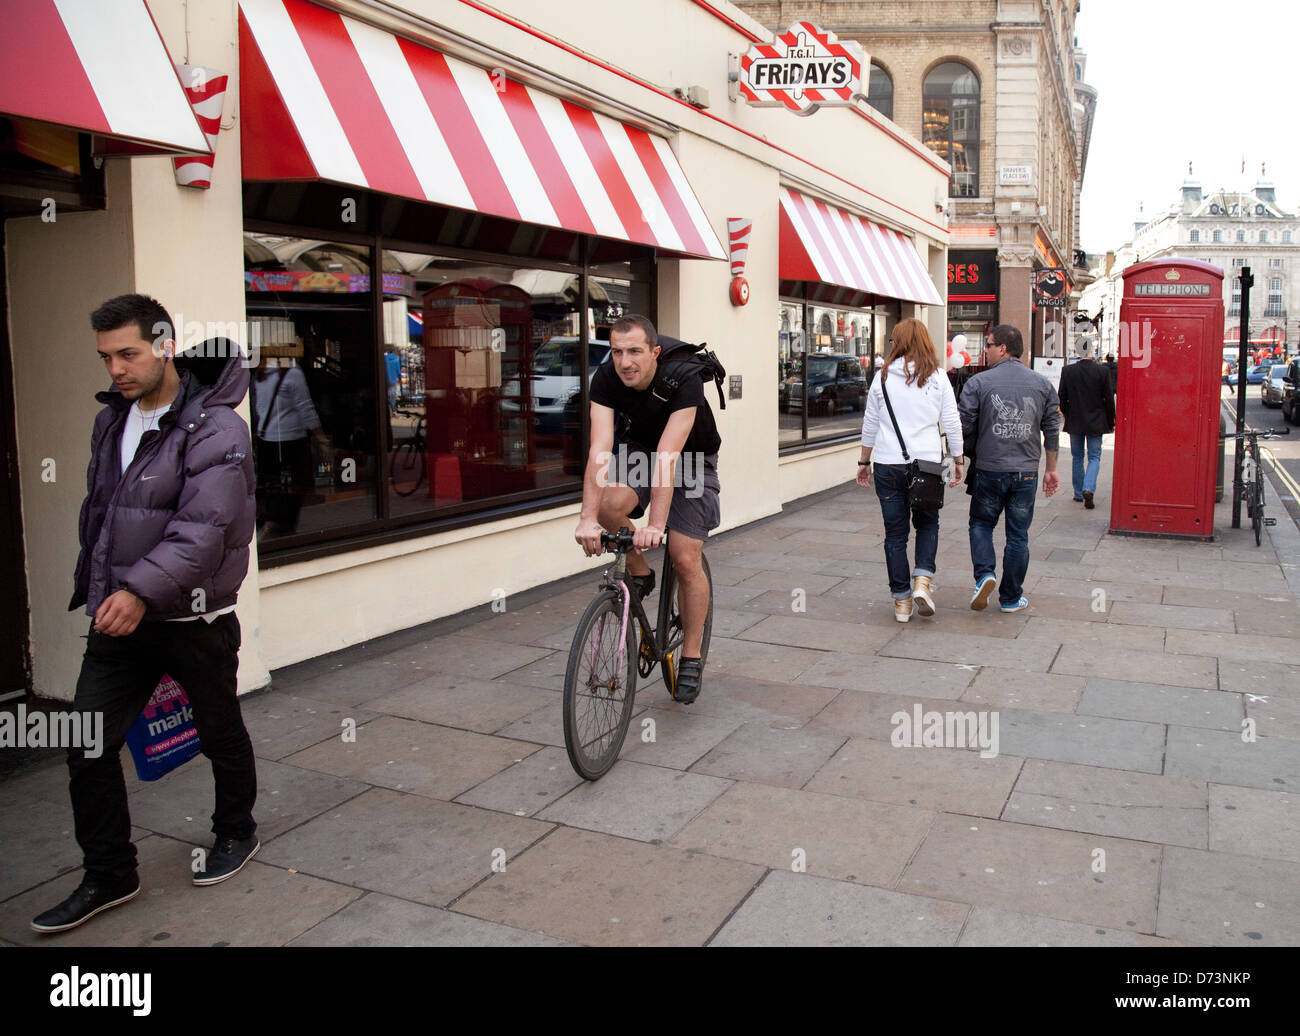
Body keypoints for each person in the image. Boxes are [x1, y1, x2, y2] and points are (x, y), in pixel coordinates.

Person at [32, 295, 259, 934]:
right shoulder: (113, 422)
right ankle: (109, 873)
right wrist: (107, 589)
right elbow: (105, 515)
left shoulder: (218, 428)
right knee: (85, 743)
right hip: (119, 616)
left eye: (128, 354)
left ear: (165, 344)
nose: (117, 370)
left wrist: (138, 592)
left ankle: (236, 831)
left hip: (193, 617)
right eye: (106, 358)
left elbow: (204, 529)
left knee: (219, 732)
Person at [574, 314, 721, 704]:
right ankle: (640, 574)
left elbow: (670, 457)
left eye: (635, 351)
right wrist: (587, 517)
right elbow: (600, 449)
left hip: (690, 459)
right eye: (617, 352)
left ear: (654, 352)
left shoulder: (684, 376)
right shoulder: (605, 378)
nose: (625, 362)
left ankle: (690, 654)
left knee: (684, 557)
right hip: (640, 452)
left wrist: (656, 524)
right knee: (607, 505)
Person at [857, 318, 965, 622]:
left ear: (898, 343)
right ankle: (922, 581)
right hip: (933, 463)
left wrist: (864, 462)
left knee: (895, 534)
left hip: (889, 463)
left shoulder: (881, 378)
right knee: (929, 524)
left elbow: (870, 424)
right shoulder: (939, 377)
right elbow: (952, 423)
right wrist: (958, 461)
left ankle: (902, 601)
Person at [958, 324, 1061, 613]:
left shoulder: (978, 383)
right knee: (1018, 535)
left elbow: (962, 425)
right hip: (1026, 472)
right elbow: (1052, 428)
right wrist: (1051, 469)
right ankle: (1011, 597)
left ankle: (985, 575)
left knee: (980, 524)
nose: (985, 350)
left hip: (989, 468)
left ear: (1002, 348)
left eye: (989, 345)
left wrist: (962, 457)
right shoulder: (1042, 384)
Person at [250, 354, 328, 537]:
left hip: (266, 438)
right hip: (291, 439)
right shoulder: (292, 372)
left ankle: (271, 523)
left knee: (273, 486)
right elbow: (305, 407)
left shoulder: (260, 372)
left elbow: (256, 407)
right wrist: (320, 437)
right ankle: (280, 528)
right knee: (294, 489)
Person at [1057, 336, 1115, 508]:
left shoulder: (1068, 371)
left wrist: (1068, 414)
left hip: (1075, 420)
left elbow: (1062, 398)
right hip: (1096, 421)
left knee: (1077, 457)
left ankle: (1078, 493)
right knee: (1095, 456)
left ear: (1077, 351)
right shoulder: (1102, 371)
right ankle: (1088, 487)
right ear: (1091, 351)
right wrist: (1111, 420)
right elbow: (1108, 399)